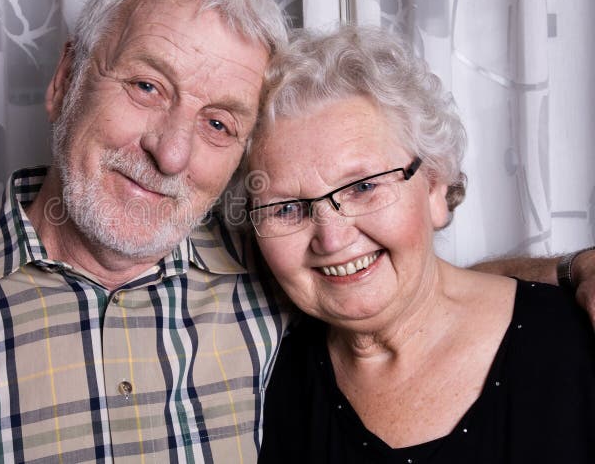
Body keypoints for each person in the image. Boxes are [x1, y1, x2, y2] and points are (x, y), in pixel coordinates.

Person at [0, 0, 593, 464]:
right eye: (147, 87)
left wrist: (568, 274)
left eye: (218, 123)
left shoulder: (263, 280)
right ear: (66, 79)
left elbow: (400, 287)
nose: (170, 153)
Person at [250, 26, 595, 463]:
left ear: (435, 186)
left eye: (363, 187)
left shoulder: (576, 342)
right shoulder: (267, 377)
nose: (332, 238)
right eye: (286, 209)